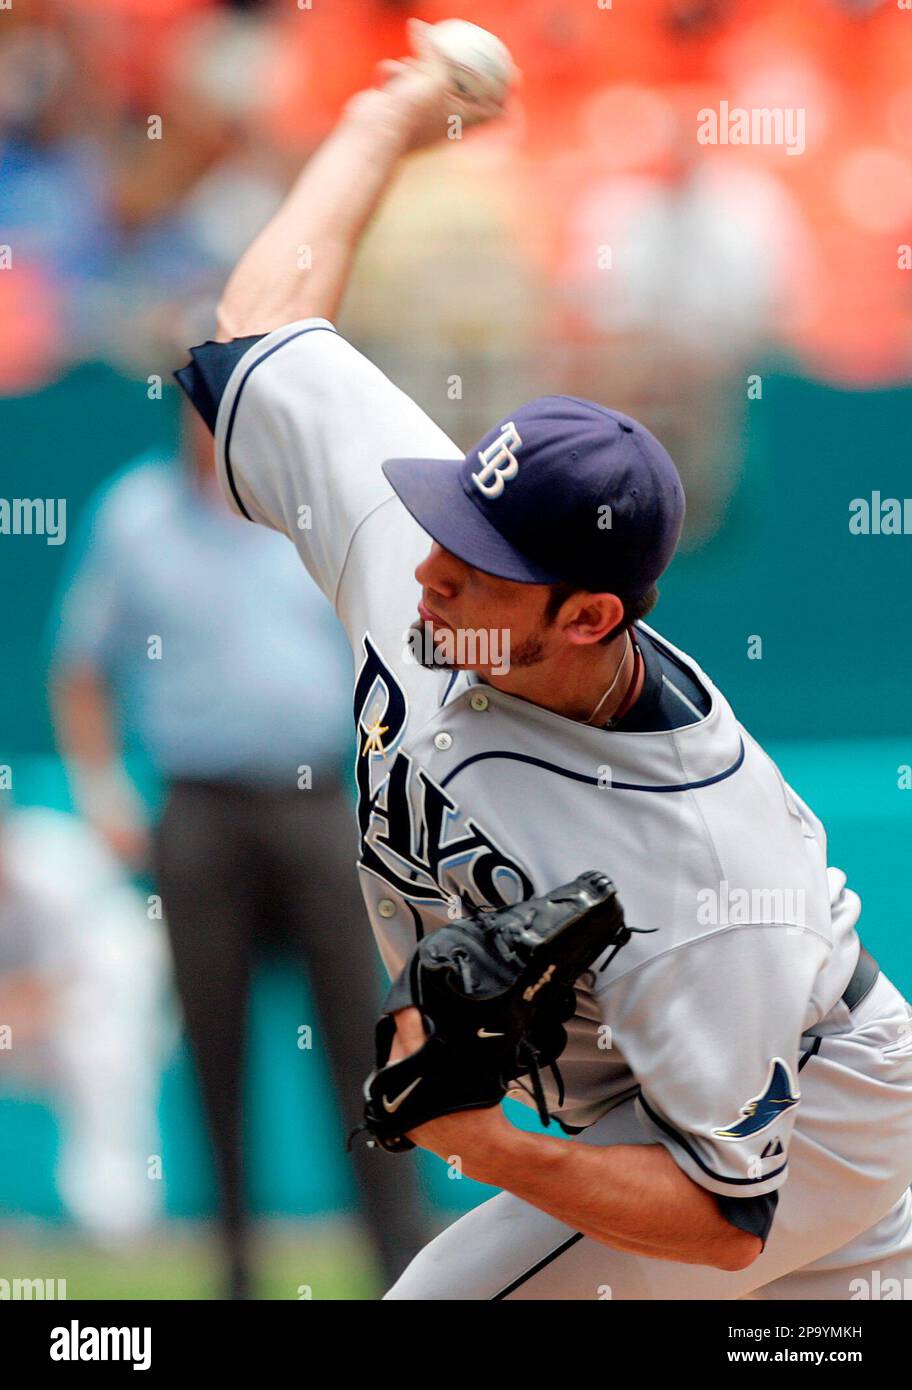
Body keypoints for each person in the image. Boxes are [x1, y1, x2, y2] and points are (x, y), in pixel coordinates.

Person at [174, 51, 912, 1299]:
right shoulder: (429, 549)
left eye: (480, 568)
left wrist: (488, 1147)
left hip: (804, 1117)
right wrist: (383, 124)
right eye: (447, 529)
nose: (429, 576)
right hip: (700, 1111)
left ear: (588, 615)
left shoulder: (702, 863)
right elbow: (260, 334)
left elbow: (729, 1210)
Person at [49, 404, 428, 1297]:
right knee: (215, 1051)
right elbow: (78, 665)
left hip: (318, 806)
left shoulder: (313, 515)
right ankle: (235, 1274)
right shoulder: (133, 515)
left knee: (365, 1042)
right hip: (198, 813)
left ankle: (404, 1266)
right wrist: (102, 789)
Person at [0, 804, 170, 1242]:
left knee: (99, 1052)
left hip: (112, 998)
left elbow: (79, 977)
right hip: (30, 1017)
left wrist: (20, 1009)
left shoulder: (54, 858)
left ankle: (117, 1222)